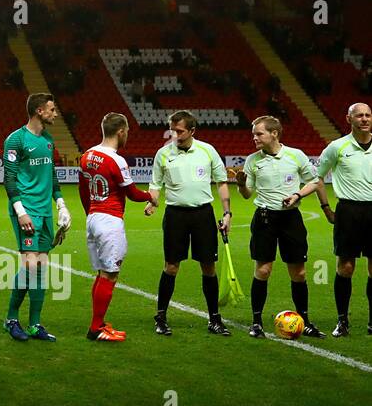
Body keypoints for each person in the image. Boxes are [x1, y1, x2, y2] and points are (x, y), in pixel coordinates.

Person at [234, 115, 328, 338]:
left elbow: (314, 181)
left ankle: (304, 321)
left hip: (291, 219)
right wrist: (240, 184)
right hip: (265, 218)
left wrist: (297, 194)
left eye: (259, 134)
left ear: (274, 133)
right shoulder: (252, 160)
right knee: (263, 270)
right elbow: (247, 194)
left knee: (300, 273)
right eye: (253, 134)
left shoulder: (295, 155)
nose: (254, 138)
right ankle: (256, 322)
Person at [144, 110, 232, 336]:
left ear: (192, 130)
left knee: (208, 266)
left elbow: (221, 183)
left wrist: (227, 212)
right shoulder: (163, 154)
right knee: (171, 266)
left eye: (180, 130)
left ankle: (214, 319)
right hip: (175, 216)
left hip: (203, 215)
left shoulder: (207, 151)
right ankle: (161, 316)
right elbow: (156, 184)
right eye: (172, 130)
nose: (175, 134)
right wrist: (153, 202)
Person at [78, 113, 153, 341]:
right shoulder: (116, 159)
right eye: (127, 132)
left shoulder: (87, 155)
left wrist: (90, 213)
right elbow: (132, 194)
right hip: (110, 221)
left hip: (93, 218)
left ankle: (98, 324)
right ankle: (96, 329)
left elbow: (82, 189)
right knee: (110, 275)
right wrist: (152, 196)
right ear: (120, 131)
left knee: (102, 273)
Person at [3, 92, 70, 342]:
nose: (55, 113)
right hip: (26, 210)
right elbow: (8, 179)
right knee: (31, 265)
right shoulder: (16, 140)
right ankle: (11, 319)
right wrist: (20, 212)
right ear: (39, 111)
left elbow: (52, 176)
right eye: (52, 109)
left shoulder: (49, 140)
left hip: (44, 211)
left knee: (41, 266)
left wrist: (61, 205)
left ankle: (34, 324)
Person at [315, 102, 372, 337]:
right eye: (359, 115)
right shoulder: (336, 147)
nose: (365, 119)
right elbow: (316, 177)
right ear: (349, 119)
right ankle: (342, 320)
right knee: (346, 267)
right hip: (348, 211)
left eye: (368, 115)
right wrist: (326, 208)